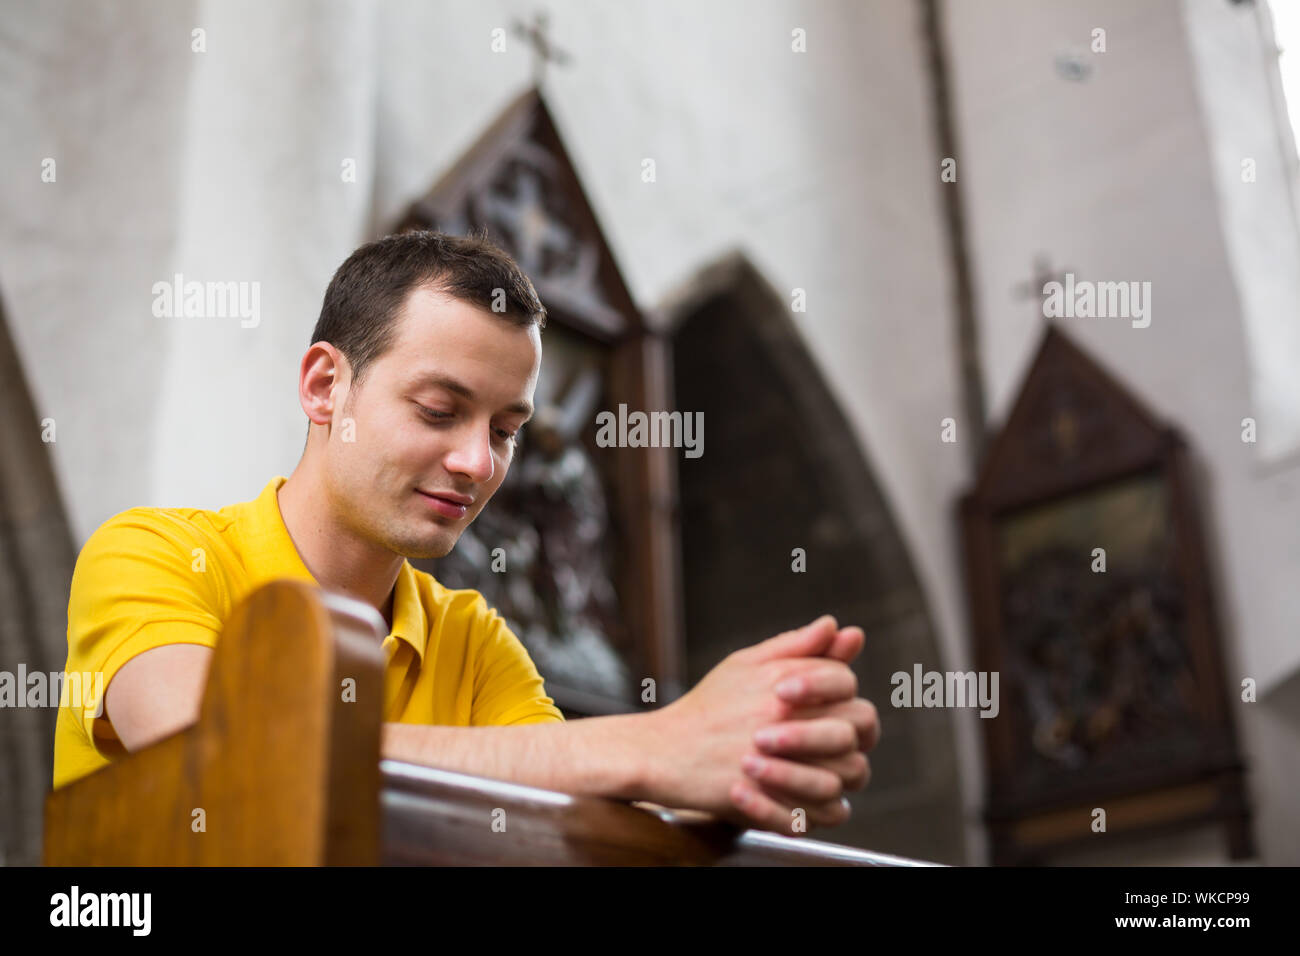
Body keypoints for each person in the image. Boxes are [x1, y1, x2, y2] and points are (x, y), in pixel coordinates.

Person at [54, 230, 879, 836]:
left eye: (509, 429)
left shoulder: (472, 639)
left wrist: (756, 753)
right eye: (440, 411)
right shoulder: (154, 555)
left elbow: (572, 814)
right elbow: (223, 753)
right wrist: (661, 742)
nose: (479, 462)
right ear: (323, 385)